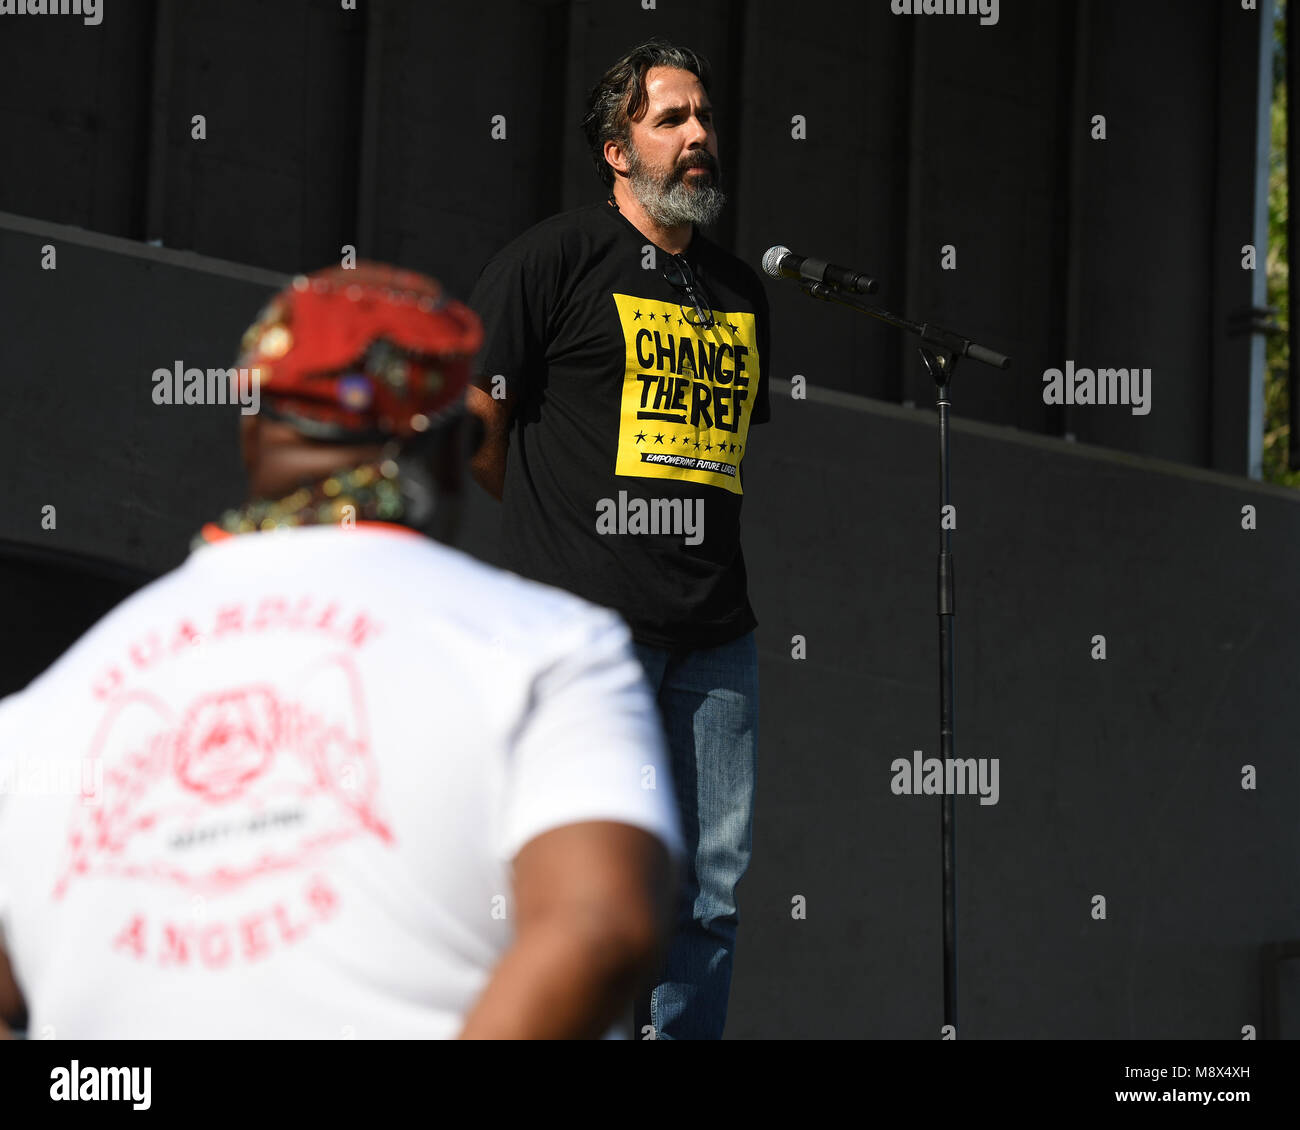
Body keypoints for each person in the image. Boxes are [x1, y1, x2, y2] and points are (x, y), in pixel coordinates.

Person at [0, 262, 682, 1040]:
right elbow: (600, 926)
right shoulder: (545, 648)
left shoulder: (44, 708)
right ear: (458, 448)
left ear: (252, 429)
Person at [466, 38, 771, 1039]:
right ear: (615, 148)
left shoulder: (738, 289)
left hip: (716, 633)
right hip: (588, 625)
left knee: (711, 891)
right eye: (669, 119)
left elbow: (712, 456)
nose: (697, 137)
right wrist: (562, 547)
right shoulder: (554, 257)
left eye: (703, 118)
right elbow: (478, 427)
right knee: (589, 879)